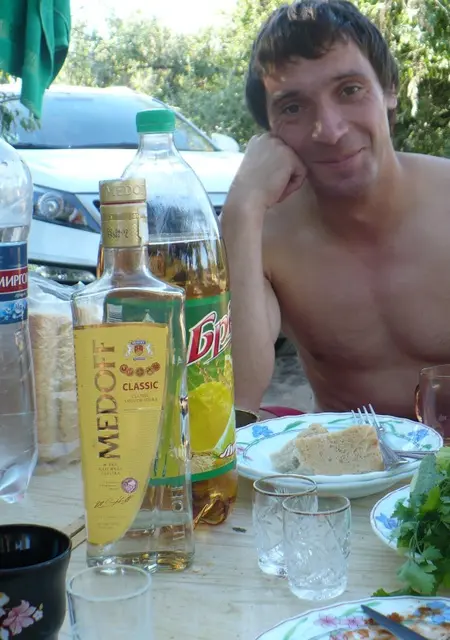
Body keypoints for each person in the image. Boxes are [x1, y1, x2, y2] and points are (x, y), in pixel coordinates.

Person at [221, 0, 450, 421]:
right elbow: (236, 402)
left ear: (389, 90)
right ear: (269, 132)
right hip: (344, 458)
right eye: (293, 107)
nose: (329, 130)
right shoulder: (266, 236)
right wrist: (241, 207)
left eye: (349, 90)